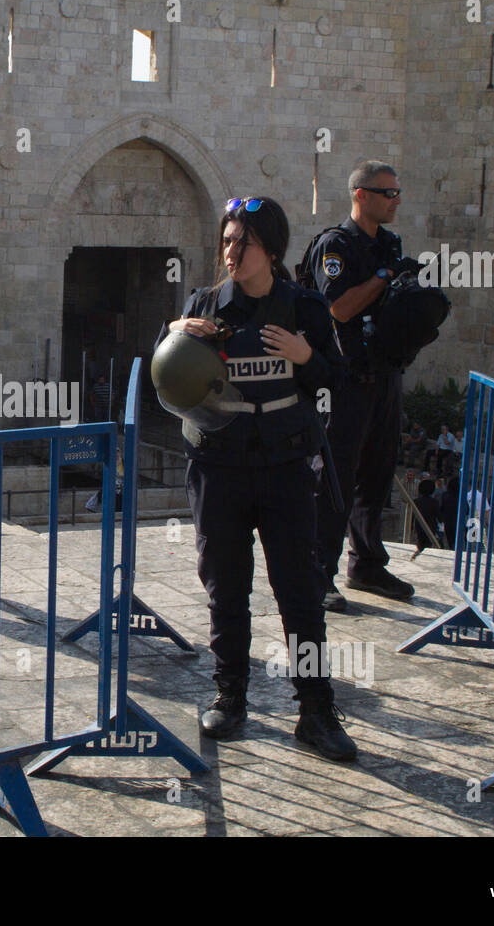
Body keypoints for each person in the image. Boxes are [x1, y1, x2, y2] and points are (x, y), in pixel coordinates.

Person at [156, 196, 355, 761]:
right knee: (226, 589)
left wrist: (305, 355)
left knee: (299, 593)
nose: (230, 252)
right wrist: (172, 330)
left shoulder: (306, 309)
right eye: (225, 241)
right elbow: (168, 374)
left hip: (285, 468)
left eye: (241, 242)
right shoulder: (204, 305)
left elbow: (338, 379)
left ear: (270, 248)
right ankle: (231, 696)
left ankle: (315, 711)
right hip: (219, 467)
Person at [309, 161, 415, 610]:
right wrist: (385, 277)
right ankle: (316, 573)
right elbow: (340, 309)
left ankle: (367, 563)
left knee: (376, 476)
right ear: (361, 195)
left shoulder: (390, 245)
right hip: (346, 380)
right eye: (387, 193)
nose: (396, 200)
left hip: (385, 375)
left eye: (397, 192)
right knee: (335, 479)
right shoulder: (335, 247)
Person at [410, 478, 442, 560]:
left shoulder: (416, 501)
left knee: (420, 542)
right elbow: (438, 515)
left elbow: (412, 516)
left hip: (419, 526)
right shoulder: (434, 502)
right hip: (431, 526)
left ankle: (417, 555)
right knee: (428, 544)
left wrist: (411, 527)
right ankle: (419, 556)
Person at [437, 476, 459, 549]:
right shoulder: (461, 496)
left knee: (450, 540)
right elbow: (467, 510)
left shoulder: (445, 495)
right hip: (458, 521)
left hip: (448, 521)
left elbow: (441, 508)